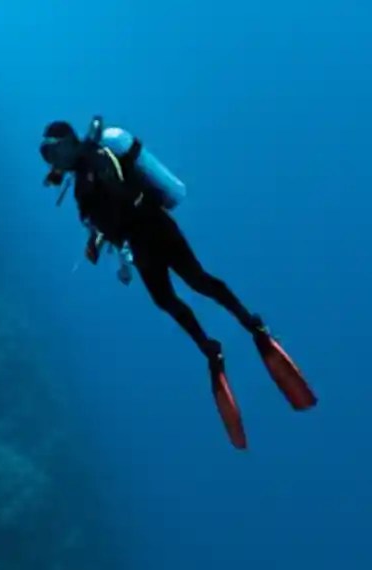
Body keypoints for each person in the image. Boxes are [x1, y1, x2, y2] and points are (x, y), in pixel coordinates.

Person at [39, 116, 316, 449]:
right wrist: (98, 240)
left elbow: (115, 200)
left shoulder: (95, 159)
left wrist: (107, 230)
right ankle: (211, 349)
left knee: (197, 280)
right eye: (46, 156)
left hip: (153, 227)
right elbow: (104, 215)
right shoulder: (82, 179)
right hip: (139, 240)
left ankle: (251, 325)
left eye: (52, 152)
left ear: (68, 143)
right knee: (167, 299)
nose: (51, 161)